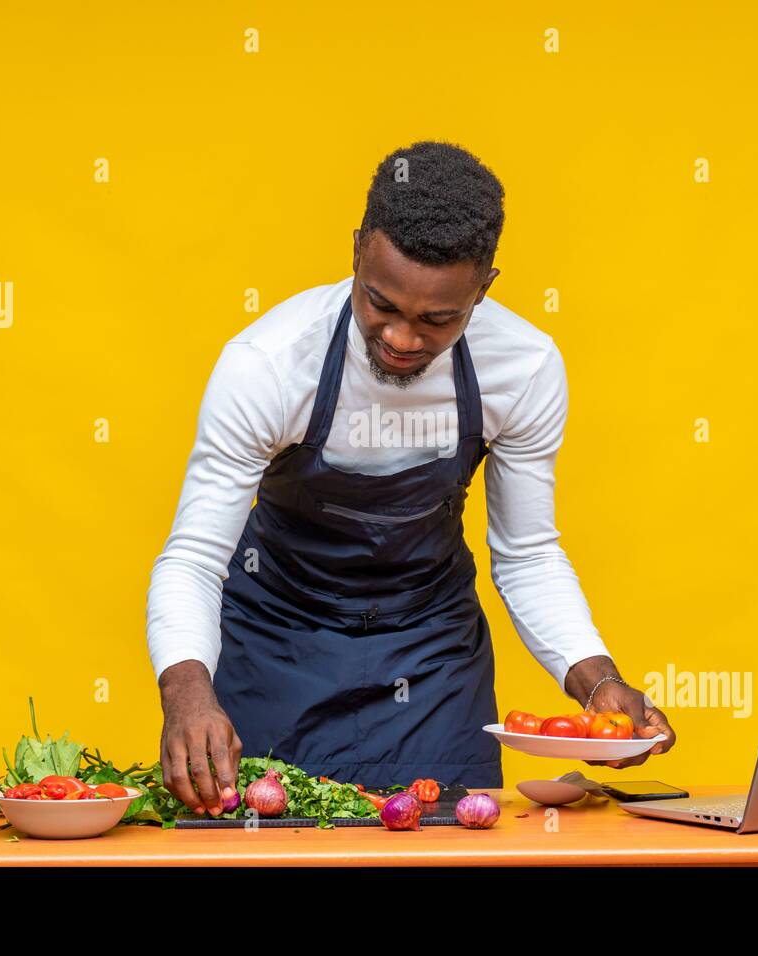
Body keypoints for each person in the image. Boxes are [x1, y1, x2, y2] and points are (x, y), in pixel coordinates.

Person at [148, 140, 675, 815]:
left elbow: (528, 555)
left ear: (484, 287)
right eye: (380, 303)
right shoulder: (269, 364)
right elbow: (194, 557)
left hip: (430, 666)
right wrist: (187, 693)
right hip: (277, 648)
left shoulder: (524, 368)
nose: (400, 337)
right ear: (357, 250)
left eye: (438, 319)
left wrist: (597, 682)